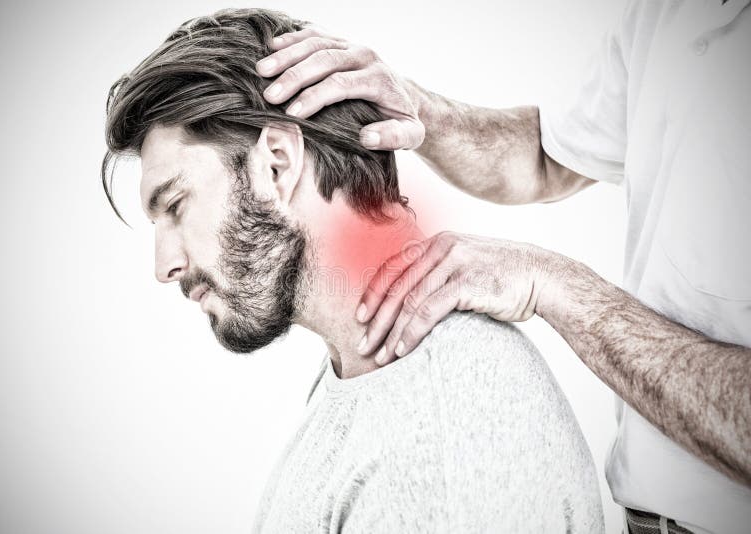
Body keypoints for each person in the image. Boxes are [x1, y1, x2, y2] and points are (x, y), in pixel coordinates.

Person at [254, 1, 751, 532]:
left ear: (279, 162)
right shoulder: (672, 12)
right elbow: (546, 156)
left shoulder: (450, 441)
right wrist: (417, 107)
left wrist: (555, 284)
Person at [102, 8, 604, 532]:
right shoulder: (362, 371)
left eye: (177, 205)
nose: (166, 266)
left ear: (276, 162)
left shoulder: (436, 441)